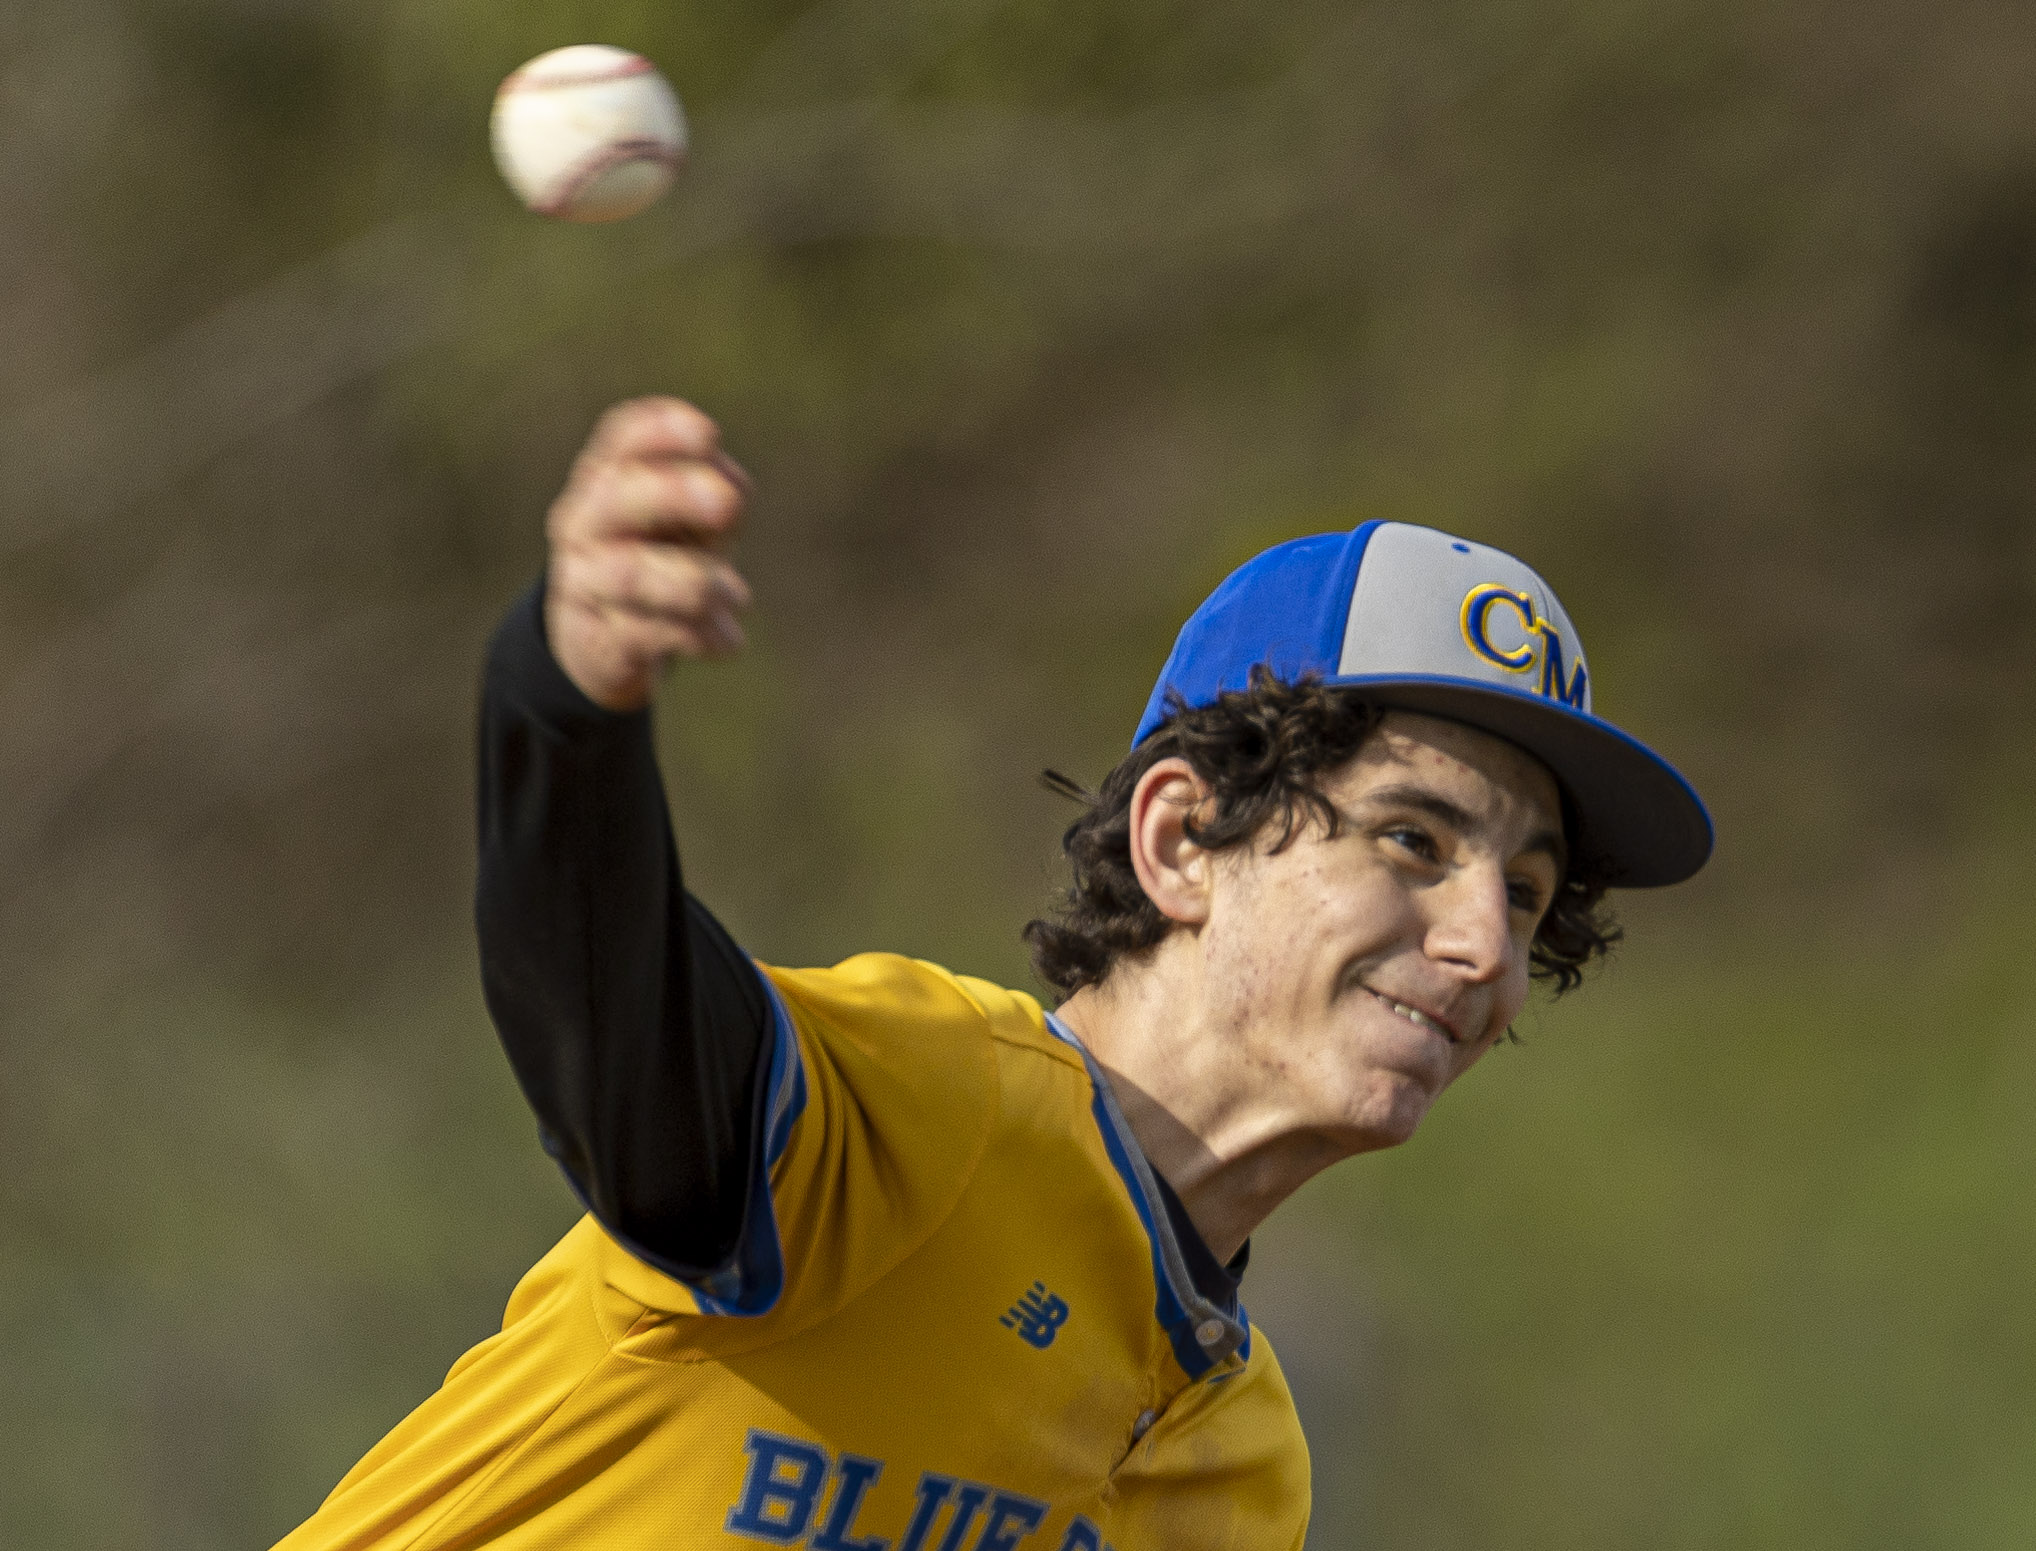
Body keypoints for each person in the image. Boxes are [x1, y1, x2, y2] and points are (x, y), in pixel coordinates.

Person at [275, 397, 1711, 1551]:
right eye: (1411, 835)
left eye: (1524, 895)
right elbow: (611, 1026)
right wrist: (567, 707)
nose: (1483, 943)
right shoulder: (915, 1113)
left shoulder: (1245, 1474)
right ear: (1183, 841)